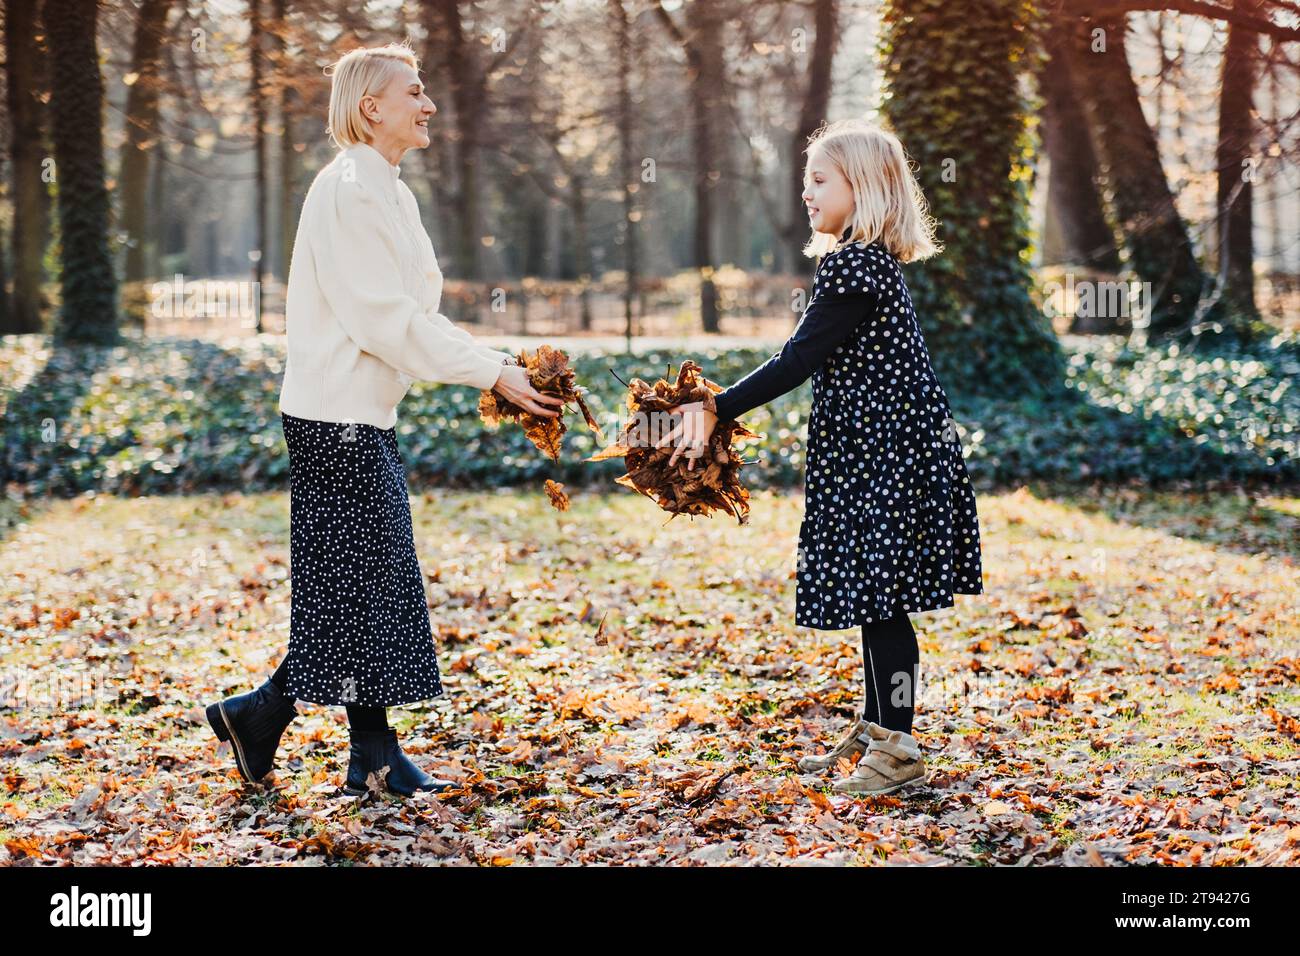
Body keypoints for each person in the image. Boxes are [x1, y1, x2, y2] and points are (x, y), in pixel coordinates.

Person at [204, 41, 564, 798]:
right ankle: (279, 719)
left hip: (359, 413)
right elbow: (384, 319)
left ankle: (347, 746)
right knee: (364, 584)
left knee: (365, 584)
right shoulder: (350, 191)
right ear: (372, 107)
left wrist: (493, 361)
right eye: (414, 91)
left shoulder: (388, 190)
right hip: (334, 416)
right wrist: (491, 369)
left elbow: (410, 315)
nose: (428, 104)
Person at [657, 119, 985, 796]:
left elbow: (799, 359)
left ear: (861, 186)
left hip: (886, 458)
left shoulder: (857, 266)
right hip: (876, 452)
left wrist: (718, 407)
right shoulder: (864, 262)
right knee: (876, 594)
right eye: (806, 177)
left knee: (886, 599)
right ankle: (877, 727)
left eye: (819, 178)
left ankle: (897, 750)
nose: (805, 191)